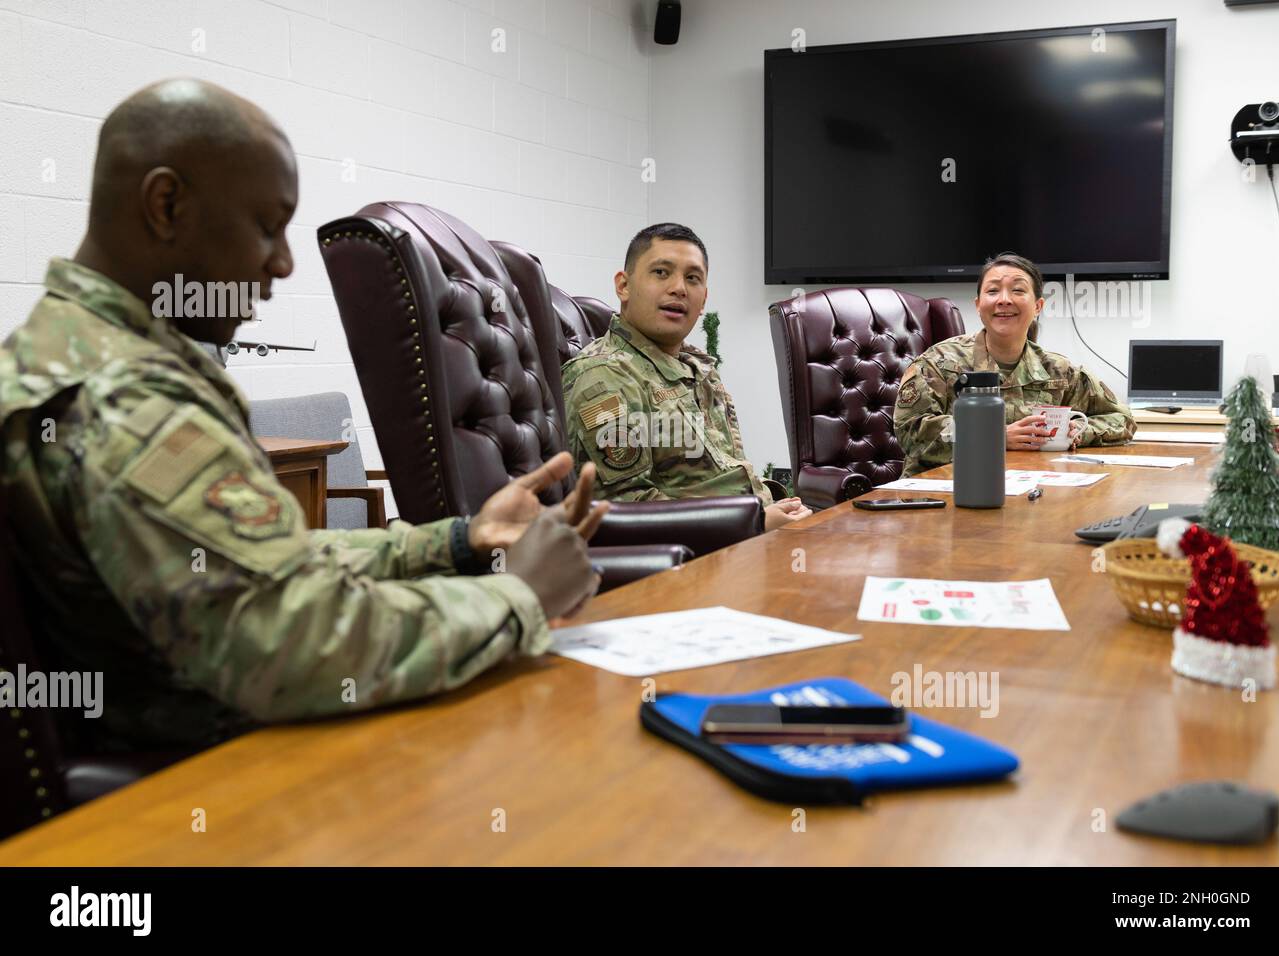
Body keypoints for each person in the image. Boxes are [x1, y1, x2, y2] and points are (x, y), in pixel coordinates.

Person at [0, 79, 606, 754]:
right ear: (165, 205)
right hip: (222, 791)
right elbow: (292, 643)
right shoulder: (129, 400)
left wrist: (457, 542)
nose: (284, 264)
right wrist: (520, 598)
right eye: (267, 226)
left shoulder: (73, 350)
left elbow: (244, 559)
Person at [561, 223, 812, 529]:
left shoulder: (696, 367)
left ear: (703, 299)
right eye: (661, 272)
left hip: (745, 537)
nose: (679, 288)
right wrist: (752, 523)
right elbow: (621, 510)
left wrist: (768, 503)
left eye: (692, 278)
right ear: (623, 286)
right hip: (690, 562)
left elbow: (715, 476)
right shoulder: (603, 376)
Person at [894, 252, 1135, 475]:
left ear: (1038, 306)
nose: (1004, 300)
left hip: (1029, 487)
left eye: (1018, 290)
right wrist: (994, 436)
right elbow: (910, 431)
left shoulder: (1059, 371)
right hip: (944, 490)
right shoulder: (939, 363)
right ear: (978, 306)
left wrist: (1078, 431)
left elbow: (1122, 419)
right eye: (993, 291)